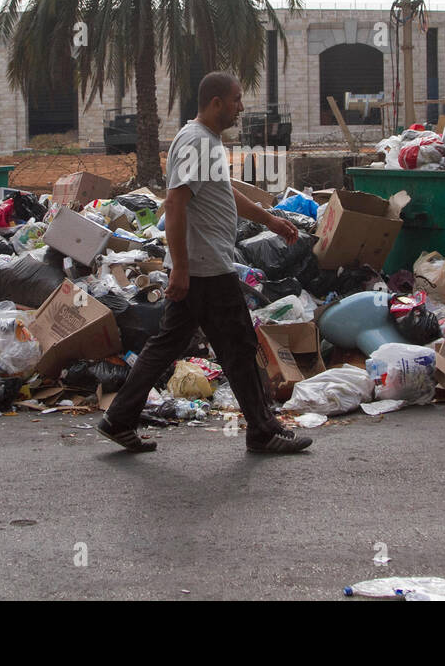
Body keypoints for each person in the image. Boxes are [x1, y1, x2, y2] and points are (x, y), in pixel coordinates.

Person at [97, 71, 314, 453]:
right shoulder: (197, 142)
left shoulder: (205, 142)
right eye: (236, 99)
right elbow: (175, 203)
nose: (241, 107)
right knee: (241, 347)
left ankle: (118, 419)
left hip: (203, 265)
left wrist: (270, 219)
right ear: (216, 103)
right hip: (205, 268)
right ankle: (262, 431)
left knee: (169, 344)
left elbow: (225, 192)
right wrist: (180, 267)